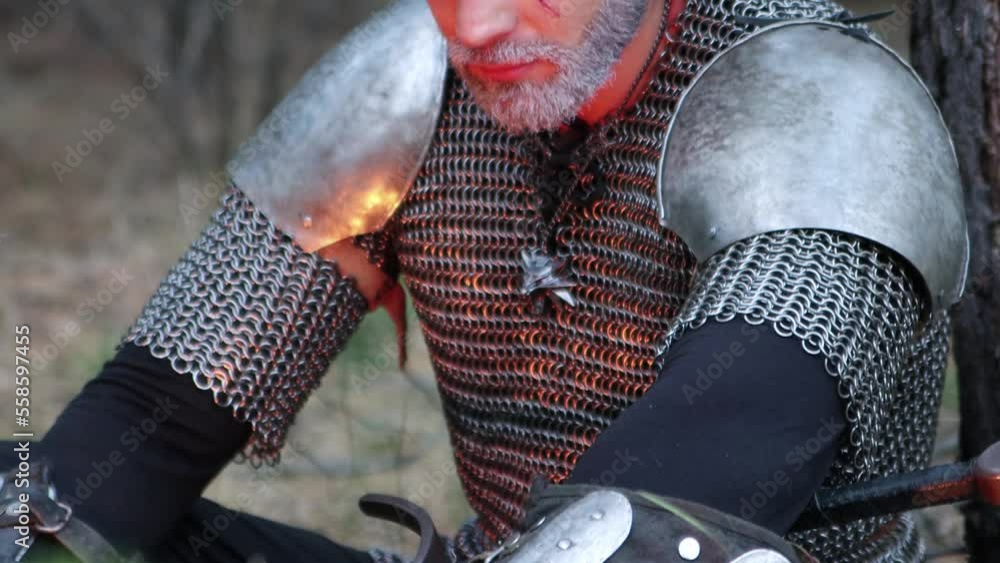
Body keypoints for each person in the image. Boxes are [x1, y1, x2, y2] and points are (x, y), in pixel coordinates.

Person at [0, 0, 968, 561]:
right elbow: (148, 421)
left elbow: (649, 511)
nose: (476, 22)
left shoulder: (821, 111)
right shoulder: (417, 76)